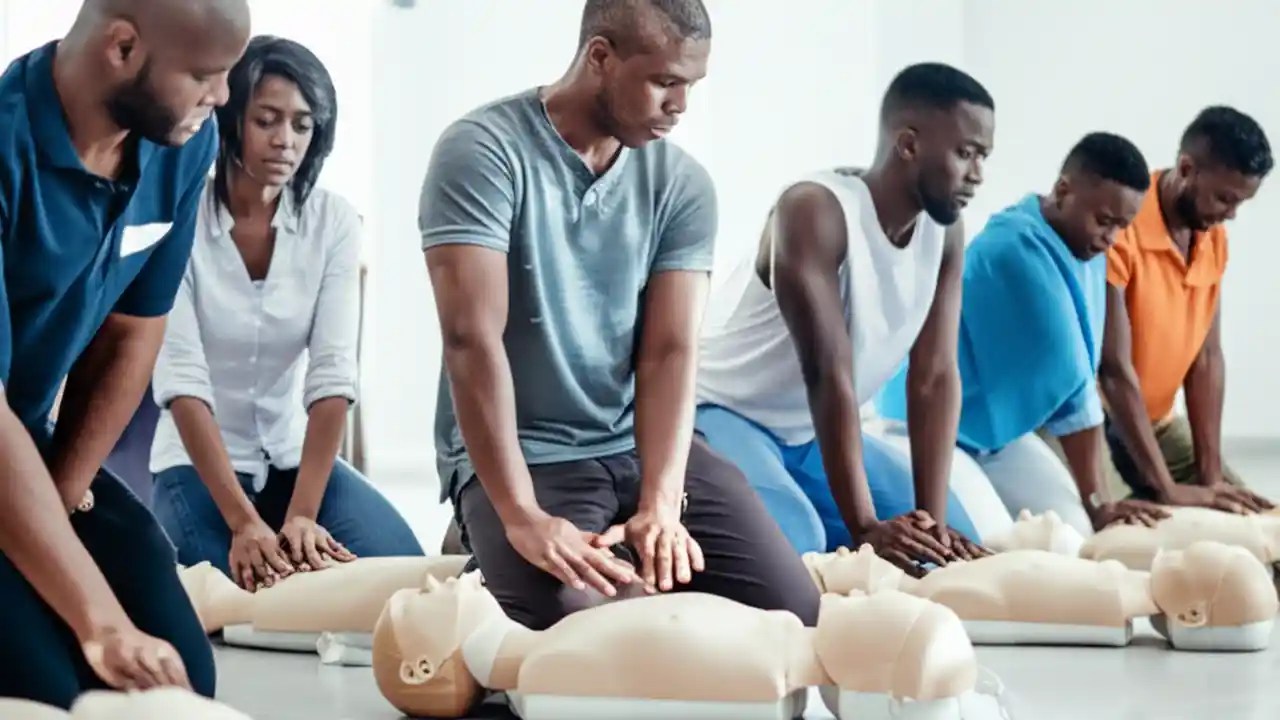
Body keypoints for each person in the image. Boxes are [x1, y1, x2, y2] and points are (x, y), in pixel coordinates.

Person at [420, 0, 819, 631]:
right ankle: (483, 531)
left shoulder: (682, 184)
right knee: (588, 626)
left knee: (794, 611)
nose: (680, 105)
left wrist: (662, 504)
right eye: (665, 82)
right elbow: (473, 340)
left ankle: (610, 535)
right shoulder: (482, 151)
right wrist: (521, 514)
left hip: (636, 442)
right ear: (600, 58)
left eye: (691, 85)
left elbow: (669, 350)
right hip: (531, 453)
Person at [0, 0, 250, 707]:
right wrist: (98, 622)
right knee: (50, 690)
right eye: (205, 74)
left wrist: (50, 514)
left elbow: (132, 332)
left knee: (178, 680)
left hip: (30, 446)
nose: (224, 96)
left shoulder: (181, 143)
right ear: (122, 48)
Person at [694, 62, 997, 573]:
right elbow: (828, 373)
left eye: (983, 157)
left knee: (956, 544)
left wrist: (931, 526)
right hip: (720, 413)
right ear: (908, 144)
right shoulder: (814, 211)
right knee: (799, 545)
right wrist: (864, 528)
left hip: (807, 434)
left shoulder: (945, 234)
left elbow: (935, 377)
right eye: (965, 153)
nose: (978, 175)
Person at [148, 36, 424, 593]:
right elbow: (183, 383)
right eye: (267, 120)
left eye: (302, 125)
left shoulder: (334, 223)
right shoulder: (180, 220)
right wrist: (245, 523)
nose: (285, 141)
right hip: (198, 467)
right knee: (239, 593)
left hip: (293, 458)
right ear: (231, 121)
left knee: (404, 577)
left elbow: (332, 376)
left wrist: (302, 517)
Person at [877, 132, 1169, 536]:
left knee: (1073, 533)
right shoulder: (1012, 248)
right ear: (1063, 190)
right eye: (1104, 221)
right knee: (994, 539)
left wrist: (1099, 505)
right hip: (920, 428)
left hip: (994, 437)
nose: (1111, 238)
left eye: (1122, 226)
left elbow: (1079, 393)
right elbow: (1075, 376)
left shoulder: (1085, 250)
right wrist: (1100, 501)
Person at [1099, 106, 1275, 513]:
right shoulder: (1122, 225)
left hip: (1157, 424)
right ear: (1186, 168)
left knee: (1254, 516)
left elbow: (1207, 359)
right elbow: (1113, 370)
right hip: (1100, 421)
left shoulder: (1212, 239)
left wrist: (1210, 475)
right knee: (1118, 527)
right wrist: (1167, 486)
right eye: (1224, 198)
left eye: (1240, 203)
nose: (1230, 214)